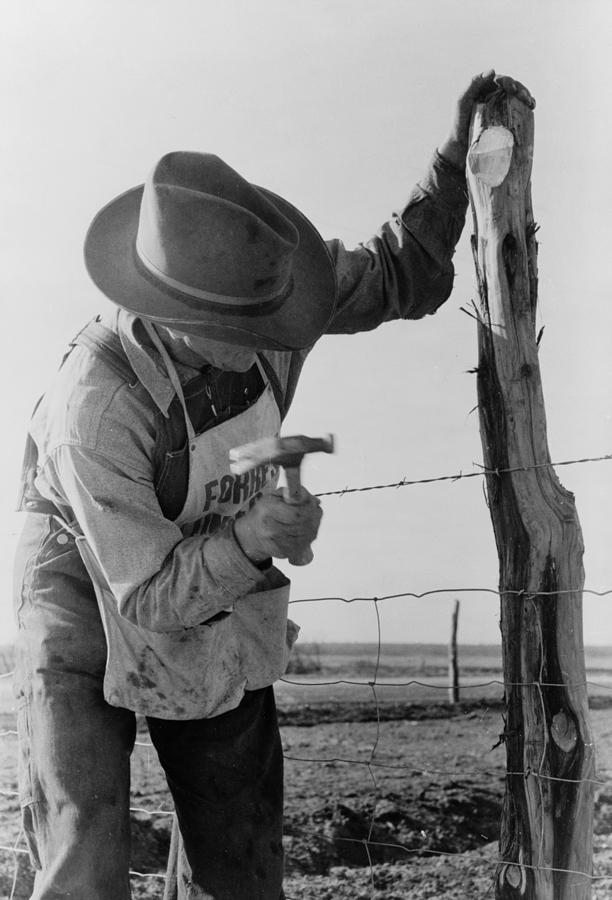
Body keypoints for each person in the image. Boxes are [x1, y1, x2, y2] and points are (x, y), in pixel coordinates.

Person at [14, 70, 534, 900]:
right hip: (87, 574)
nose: (272, 337)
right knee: (84, 854)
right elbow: (146, 595)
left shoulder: (270, 286)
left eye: (273, 319)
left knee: (244, 853)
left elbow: (406, 273)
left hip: (208, 568)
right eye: (239, 332)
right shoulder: (98, 406)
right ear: (170, 314)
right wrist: (253, 538)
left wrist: (454, 157)